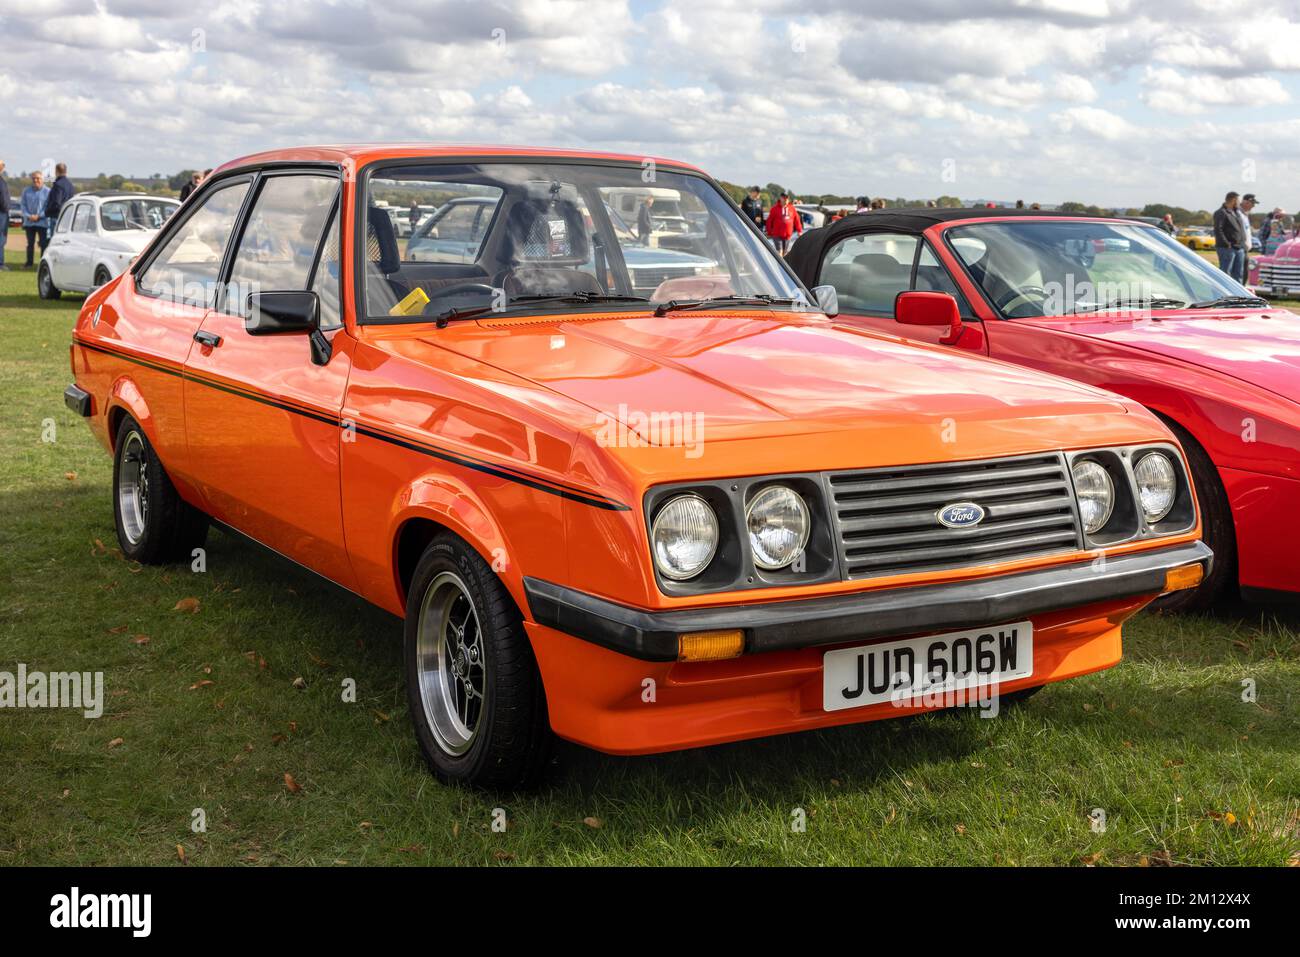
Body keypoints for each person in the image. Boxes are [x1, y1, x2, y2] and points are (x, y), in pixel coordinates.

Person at [20, 170, 51, 268]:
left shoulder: (48, 192)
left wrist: (39, 216)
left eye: (38, 178)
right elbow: (23, 205)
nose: (36, 180)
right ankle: (29, 263)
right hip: (29, 223)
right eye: (34, 178)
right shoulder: (26, 191)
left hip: (43, 222)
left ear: (42, 180)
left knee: (43, 244)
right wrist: (29, 216)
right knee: (30, 244)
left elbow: (48, 207)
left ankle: (42, 264)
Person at [1213, 191, 1246, 280]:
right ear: (1234, 200)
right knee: (1225, 274)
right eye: (1238, 200)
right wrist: (1227, 243)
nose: (1240, 203)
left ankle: (1238, 294)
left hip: (1239, 248)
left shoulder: (1237, 213)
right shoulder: (1221, 213)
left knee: (1238, 274)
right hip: (1227, 249)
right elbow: (1218, 229)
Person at [764, 192, 802, 256]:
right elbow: (769, 221)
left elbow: (797, 220)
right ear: (780, 198)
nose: (785, 200)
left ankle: (781, 265)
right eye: (784, 198)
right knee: (779, 252)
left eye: (787, 199)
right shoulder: (775, 209)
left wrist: (799, 231)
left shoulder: (792, 208)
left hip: (787, 235)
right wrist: (769, 232)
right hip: (777, 234)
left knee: (785, 253)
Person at [1238, 193, 1258, 282]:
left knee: (1245, 274)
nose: (1253, 206)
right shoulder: (1238, 213)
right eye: (1252, 203)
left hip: (1245, 249)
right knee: (1239, 274)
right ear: (1246, 202)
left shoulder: (1245, 214)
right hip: (1240, 248)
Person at [0, 158, 10, 271]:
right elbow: (3, 199)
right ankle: (0, 263)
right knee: (1, 238)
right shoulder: (1, 181)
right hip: (1, 213)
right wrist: (6, 209)